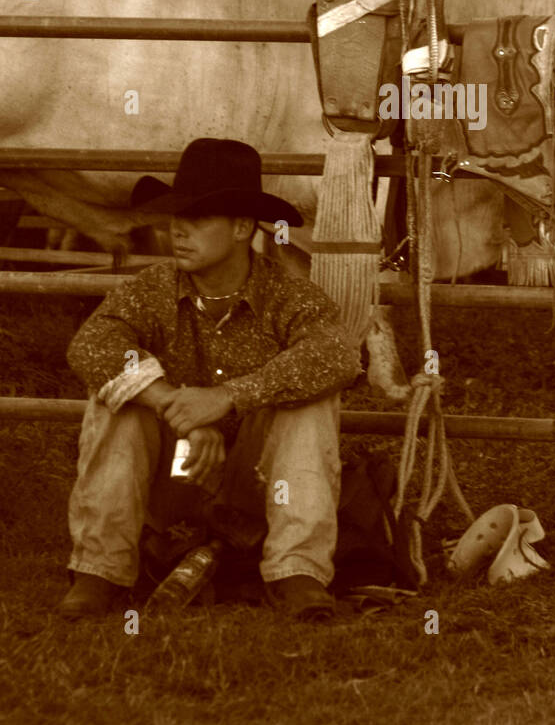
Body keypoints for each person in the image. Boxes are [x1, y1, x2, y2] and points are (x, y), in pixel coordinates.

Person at [59, 138, 360, 622]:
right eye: (177, 218)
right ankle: (99, 570)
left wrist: (227, 399)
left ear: (242, 227)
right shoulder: (151, 289)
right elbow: (91, 346)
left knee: (312, 396)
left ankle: (296, 572)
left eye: (198, 219)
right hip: (175, 477)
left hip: (258, 484)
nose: (179, 231)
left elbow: (338, 355)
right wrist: (174, 407)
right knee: (117, 394)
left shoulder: (287, 294)